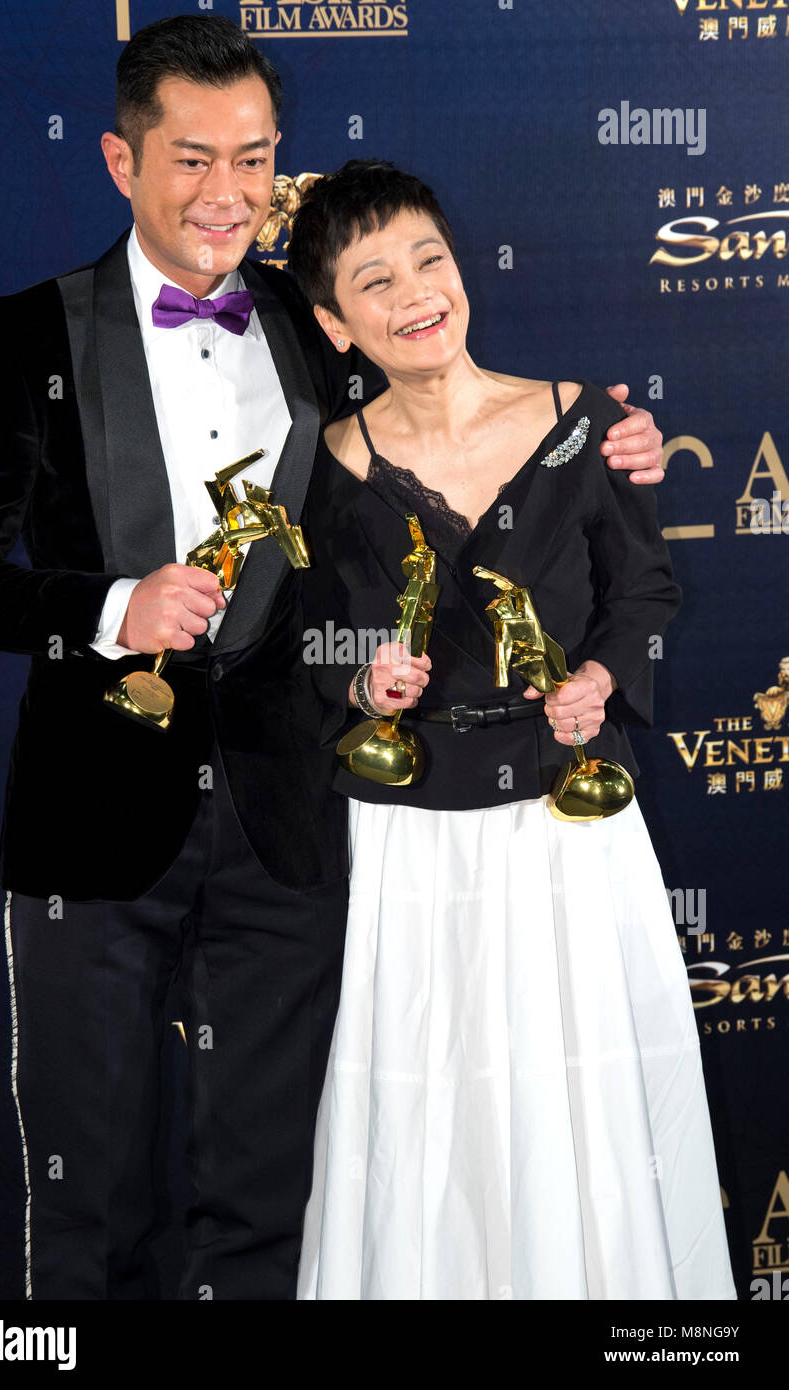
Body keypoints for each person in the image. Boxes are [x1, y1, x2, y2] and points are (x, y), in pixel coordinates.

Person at [0, 18, 665, 1301]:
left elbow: (460, 418)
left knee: (270, 1197)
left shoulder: (324, 318)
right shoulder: (19, 335)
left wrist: (616, 442)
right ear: (119, 161)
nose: (228, 193)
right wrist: (106, 610)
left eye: (255, 159)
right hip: (90, 823)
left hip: (300, 815)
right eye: (191, 158)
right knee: (88, 1194)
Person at [288, 159, 736, 1300]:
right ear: (338, 325)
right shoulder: (326, 472)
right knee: (432, 1107)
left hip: (564, 819)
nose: (416, 294)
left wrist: (598, 677)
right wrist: (360, 685)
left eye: (429, 259)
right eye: (374, 281)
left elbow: (645, 597)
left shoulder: (587, 424)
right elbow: (304, 642)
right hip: (413, 834)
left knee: (574, 1096)